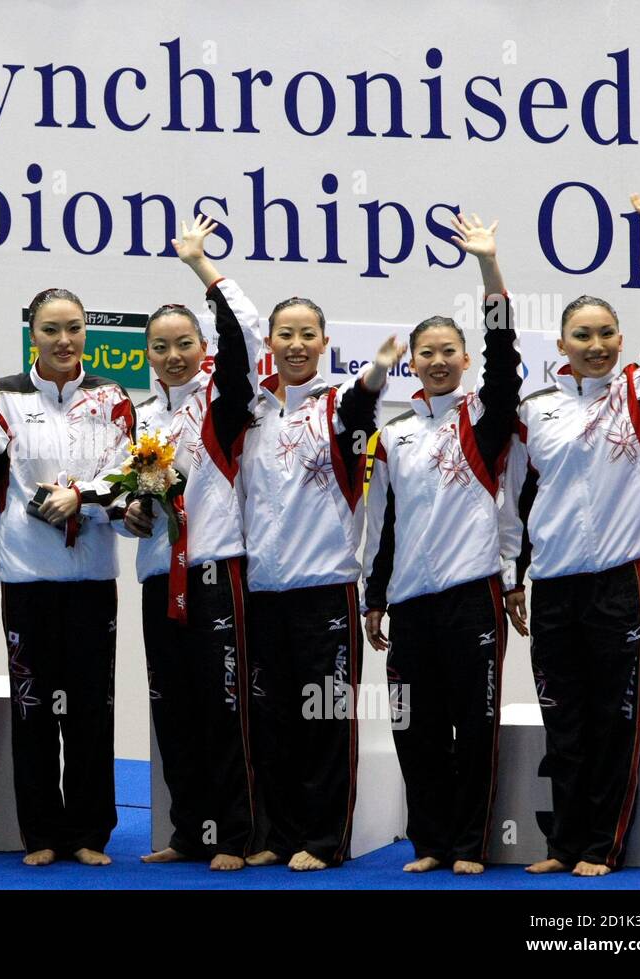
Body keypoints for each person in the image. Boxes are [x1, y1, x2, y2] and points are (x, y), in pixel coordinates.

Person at [501, 195, 640, 877]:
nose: (595, 344)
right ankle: (563, 844)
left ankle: (600, 848)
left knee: (614, 725)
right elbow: (525, 499)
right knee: (568, 724)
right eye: (582, 334)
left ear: (621, 340)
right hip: (552, 588)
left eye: (606, 333)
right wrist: (515, 576)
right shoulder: (538, 411)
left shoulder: (639, 398)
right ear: (560, 344)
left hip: (617, 586)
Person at [362, 213, 520, 875]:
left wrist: (487, 266)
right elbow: (383, 526)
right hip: (411, 606)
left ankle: (470, 844)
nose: (435, 360)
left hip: (472, 596)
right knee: (414, 728)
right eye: (424, 352)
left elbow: (504, 358)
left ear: (462, 357)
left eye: (446, 350)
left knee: (474, 728)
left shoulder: (485, 418)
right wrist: (375, 598)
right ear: (413, 364)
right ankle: (429, 841)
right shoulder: (393, 433)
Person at [0, 288, 135, 866]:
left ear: (87, 333)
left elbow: (131, 476)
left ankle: (88, 833)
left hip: (90, 581)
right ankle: (41, 833)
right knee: (33, 708)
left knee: (90, 708)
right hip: (27, 579)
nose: (64, 340)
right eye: (51, 329)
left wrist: (82, 497)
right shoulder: (2, 396)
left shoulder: (111, 398)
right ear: (32, 331)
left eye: (75, 329)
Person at [240, 291, 406, 872]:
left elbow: (363, 410)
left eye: (307, 334)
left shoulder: (337, 406)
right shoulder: (254, 411)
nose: (295, 345)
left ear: (324, 343)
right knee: (272, 721)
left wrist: (379, 372)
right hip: (263, 591)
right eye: (285, 334)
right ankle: (280, 835)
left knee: (325, 719)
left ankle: (324, 839)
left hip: (325, 591)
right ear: (270, 343)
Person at [118, 215, 263, 871]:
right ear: (147, 352)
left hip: (214, 574)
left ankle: (235, 832)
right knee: (171, 707)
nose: (173, 354)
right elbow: (123, 501)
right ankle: (190, 830)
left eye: (184, 343)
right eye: (160, 345)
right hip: (158, 578)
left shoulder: (222, 401)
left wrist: (202, 268)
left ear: (200, 345)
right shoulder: (141, 417)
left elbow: (246, 337)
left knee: (224, 705)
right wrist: (130, 515)